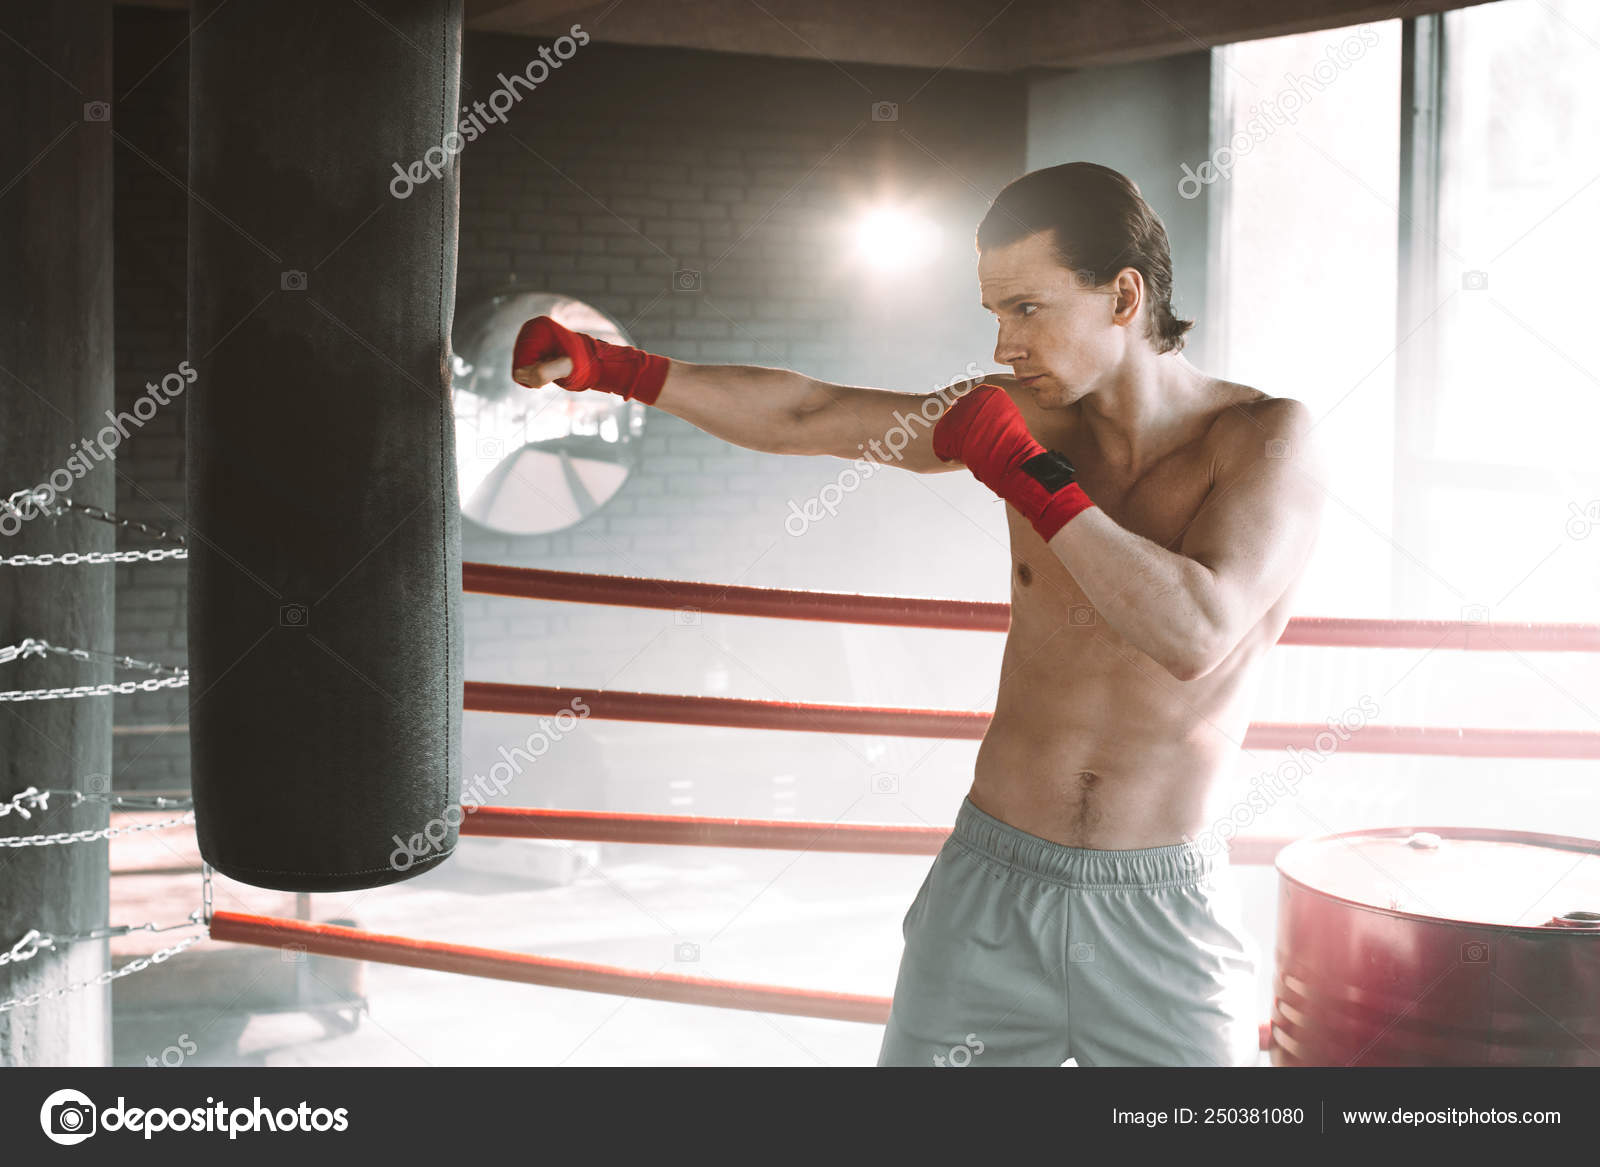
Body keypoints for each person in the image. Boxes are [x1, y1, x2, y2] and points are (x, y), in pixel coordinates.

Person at [510, 161, 1325, 1067]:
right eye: (995, 314)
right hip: (992, 888)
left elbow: (1195, 632)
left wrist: (1032, 479)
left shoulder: (1264, 440)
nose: (1005, 345)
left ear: (1124, 296)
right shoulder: (1029, 418)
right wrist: (612, 367)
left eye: (1028, 308)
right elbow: (809, 412)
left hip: (1161, 915)